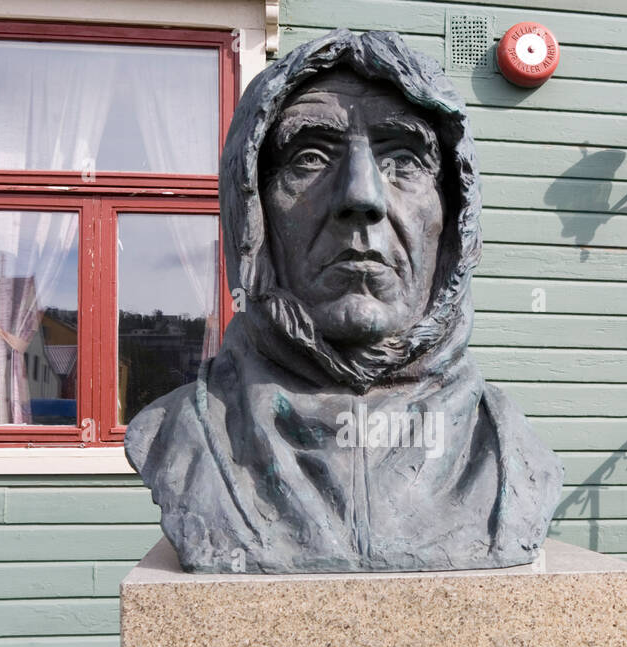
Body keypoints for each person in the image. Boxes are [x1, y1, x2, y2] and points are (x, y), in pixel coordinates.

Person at [125, 29, 562, 573]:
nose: (361, 196)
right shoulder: (177, 437)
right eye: (309, 158)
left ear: (453, 221)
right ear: (252, 212)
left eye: (404, 160)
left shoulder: (507, 451)